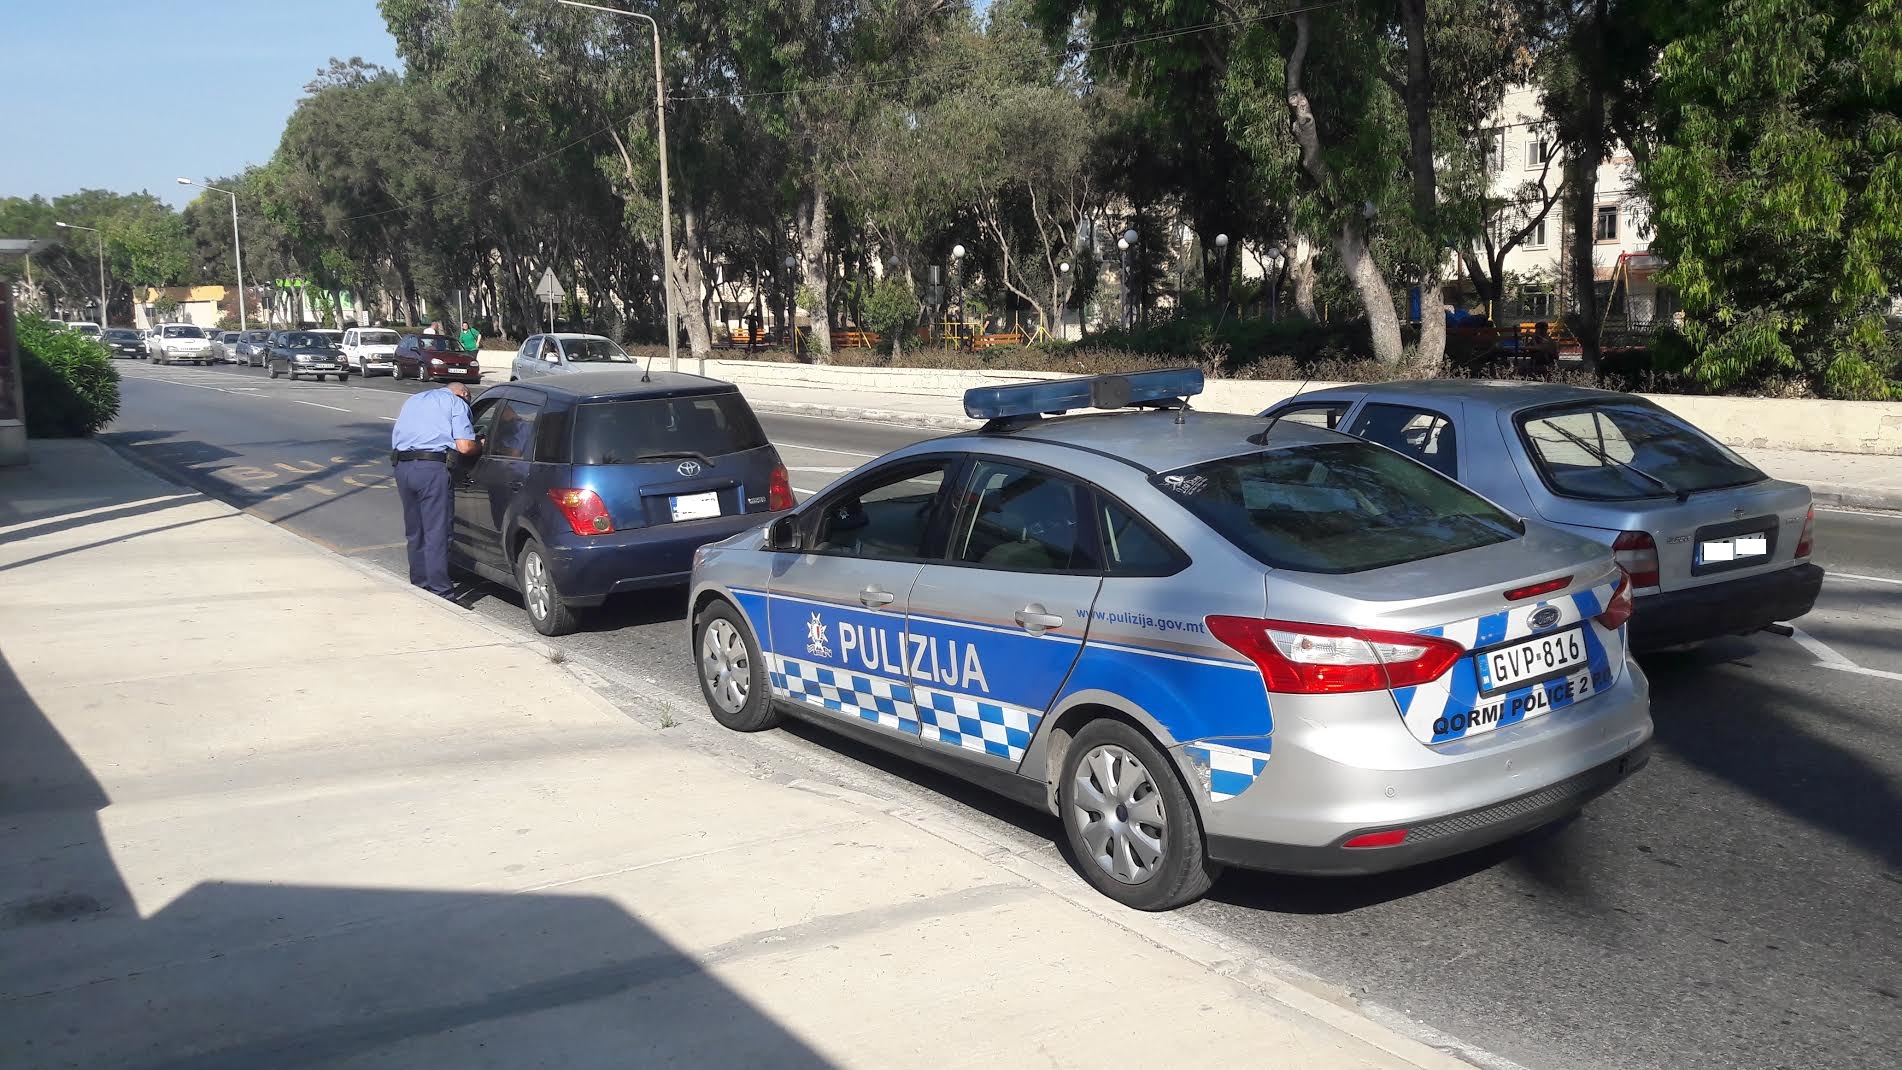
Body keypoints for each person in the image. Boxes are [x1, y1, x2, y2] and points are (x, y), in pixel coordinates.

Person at [390, 382, 479, 600]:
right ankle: (441, 592)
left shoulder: (414, 399)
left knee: (415, 531)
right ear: (464, 394)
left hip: (403, 467)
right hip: (431, 468)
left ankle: (419, 585)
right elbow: (465, 446)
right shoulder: (456, 402)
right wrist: (482, 444)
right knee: (436, 532)